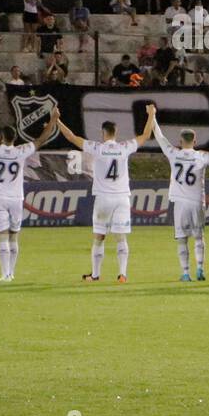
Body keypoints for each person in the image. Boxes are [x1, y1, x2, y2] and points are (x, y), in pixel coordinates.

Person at [53, 104, 156, 282]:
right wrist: (151, 114)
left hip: (103, 198)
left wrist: (57, 121)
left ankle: (95, 275)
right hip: (122, 197)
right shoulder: (124, 147)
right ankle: (122, 274)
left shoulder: (97, 148)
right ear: (115, 133)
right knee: (120, 237)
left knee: (99, 237)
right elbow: (146, 135)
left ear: (103, 133)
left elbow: (72, 137)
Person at [0, 101, 56, 282]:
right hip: (16, 198)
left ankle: (5, 274)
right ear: (14, 139)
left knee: (2, 236)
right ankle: (12, 273)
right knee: (14, 236)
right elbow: (41, 140)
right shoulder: (20, 151)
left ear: (1, 138)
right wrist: (53, 120)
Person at [152, 117, 209, 282]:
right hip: (196, 202)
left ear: (180, 141)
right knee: (198, 237)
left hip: (180, 202)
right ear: (195, 141)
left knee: (182, 239)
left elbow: (159, 136)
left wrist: (152, 116)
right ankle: (200, 269)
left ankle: (186, 273)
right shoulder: (202, 156)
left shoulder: (173, 153)